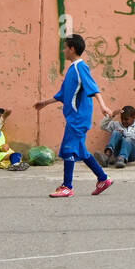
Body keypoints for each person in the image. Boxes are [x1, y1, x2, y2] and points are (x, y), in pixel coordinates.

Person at [35, 34, 114, 197]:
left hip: (78, 118)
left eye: (65, 47)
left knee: (68, 149)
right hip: (74, 118)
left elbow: (93, 88)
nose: (63, 50)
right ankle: (103, 178)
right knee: (82, 152)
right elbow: (64, 94)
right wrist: (46, 102)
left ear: (72, 49)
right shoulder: (72, 69)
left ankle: (67, 186)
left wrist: (103, 105)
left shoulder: (80, 67)